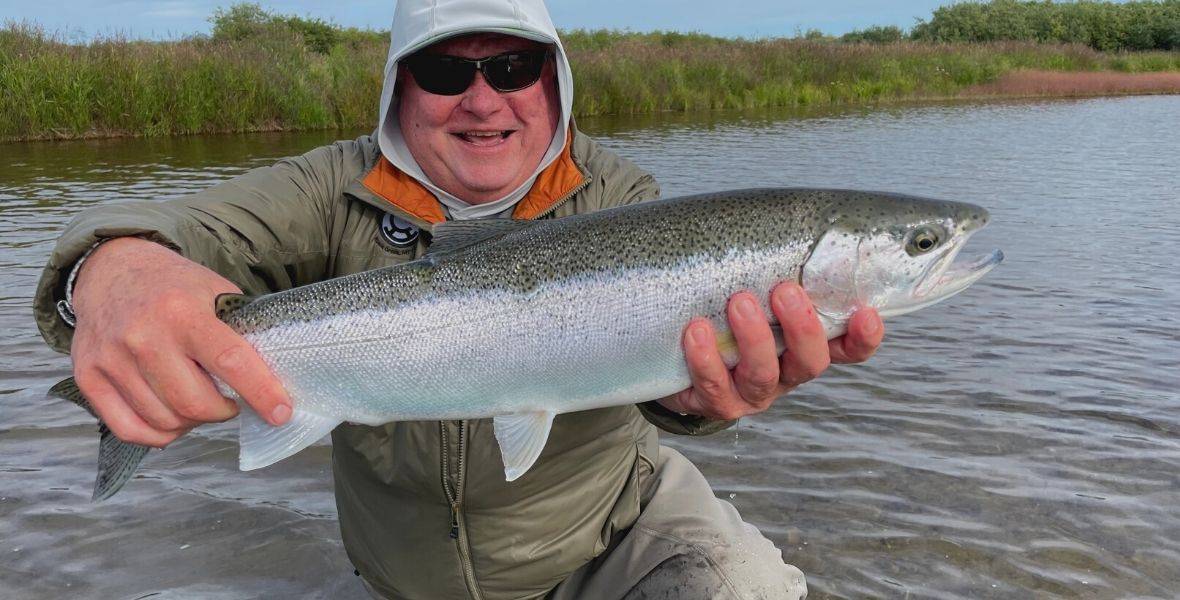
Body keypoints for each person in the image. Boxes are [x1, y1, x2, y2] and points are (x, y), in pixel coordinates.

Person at [33, 0, 884, 598]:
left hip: (610, 542)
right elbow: (187, 227)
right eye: (446, 70)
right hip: (408, 575)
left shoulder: (622, 192)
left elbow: (677, 393)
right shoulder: (326, 187)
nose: (484, 100)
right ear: (398, 87)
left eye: (515, 66)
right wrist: (111, 270)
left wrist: (705, 405)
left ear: (555, 80)